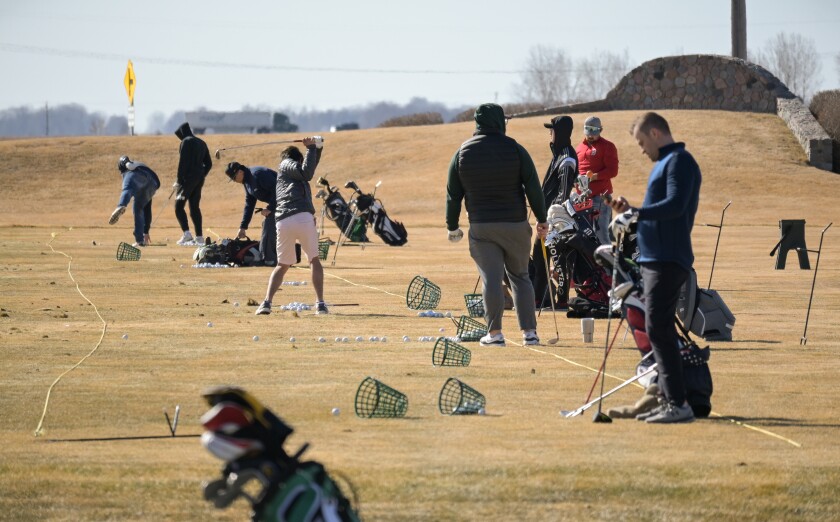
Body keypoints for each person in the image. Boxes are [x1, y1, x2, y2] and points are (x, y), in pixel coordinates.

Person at [609, 111, 702, 424]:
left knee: (658, 330)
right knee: (657, 329)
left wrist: (635, 213)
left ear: (656, 133)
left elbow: (675, 206)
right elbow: (656, 211)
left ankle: (678, 404)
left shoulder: (679, 161)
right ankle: (665, 398)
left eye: (641, 141)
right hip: (655, 258)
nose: (641, 148)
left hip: (667, 259)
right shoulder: (665, 164)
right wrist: (629, 212)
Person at [446, 103, 548, 347]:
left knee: (491, 280)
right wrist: (542, 219)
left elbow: (453, 194)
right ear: (500, 122)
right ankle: (529, 333)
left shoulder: (462, 152)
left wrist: (452, 226)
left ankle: (495, 335)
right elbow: (533, 187)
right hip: (515, 224)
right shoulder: (515, 149)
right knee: (520, 277)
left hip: (482, 227)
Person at [256, 136, 327, 316]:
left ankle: (266, 303)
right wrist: (311, 148)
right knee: (314, 260)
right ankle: (320, 304)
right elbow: (307, 173)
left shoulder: (291, 172)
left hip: (286, 221)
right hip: (300, 218)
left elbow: (308, 169)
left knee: (283, 264)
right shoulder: (286, 163)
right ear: (296, 158)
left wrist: (317, 148)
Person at [533, 115, 579, 309]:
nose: (549, 134)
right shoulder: (559, 154)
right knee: (542, 257)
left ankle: (560, 301)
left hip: (556, 218)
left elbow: (564, 191)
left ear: (558, 133)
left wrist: (552, 218)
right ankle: (542, 298)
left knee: (557, 259)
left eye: (551, 130)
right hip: (549, 216)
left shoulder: (567, 157)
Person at [225, 161, 279, 266]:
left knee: (268, 223)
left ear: (240, 172)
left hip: (291, 200)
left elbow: (278, 188)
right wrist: (243, 227)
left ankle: (269, 260)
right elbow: (249, 204)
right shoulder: (247, 182)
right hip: (280, 203)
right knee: (267, 223)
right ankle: (267, 256)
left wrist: (270, 208)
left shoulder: (257, 175)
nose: (235, 181)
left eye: (234, 178)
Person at [576, 116, 619, 245]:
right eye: (588, 132)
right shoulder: (579, 148)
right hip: (582, 199)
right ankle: (593, 265)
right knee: (585, 236)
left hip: (601, 198)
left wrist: (594, 176)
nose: (591, 136)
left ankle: (609, 265)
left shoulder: (608, 146)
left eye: (594, 132)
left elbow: (613, 171)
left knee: (601, 236)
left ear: (600, 130)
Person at [173, 122, 213, 246]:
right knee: (194, 207)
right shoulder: (201, 142)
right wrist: (201, 175)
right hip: (199, 180)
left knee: (178, 206)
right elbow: (209, 163)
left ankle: (187, 234)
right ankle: (199, 237)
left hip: (187, 181)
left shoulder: (186, 142)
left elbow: (182, 163)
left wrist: (179, 181)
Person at [109, 155, 161, 246]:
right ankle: (140, 240)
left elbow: (125, 160)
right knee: (138, 209)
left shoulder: (128, 169)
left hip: (136, 174)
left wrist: (125, 163)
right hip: (153, 184)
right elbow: (147, 210)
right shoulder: (140, 165)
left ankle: (121, 205)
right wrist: (146, 231)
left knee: (128, 188)